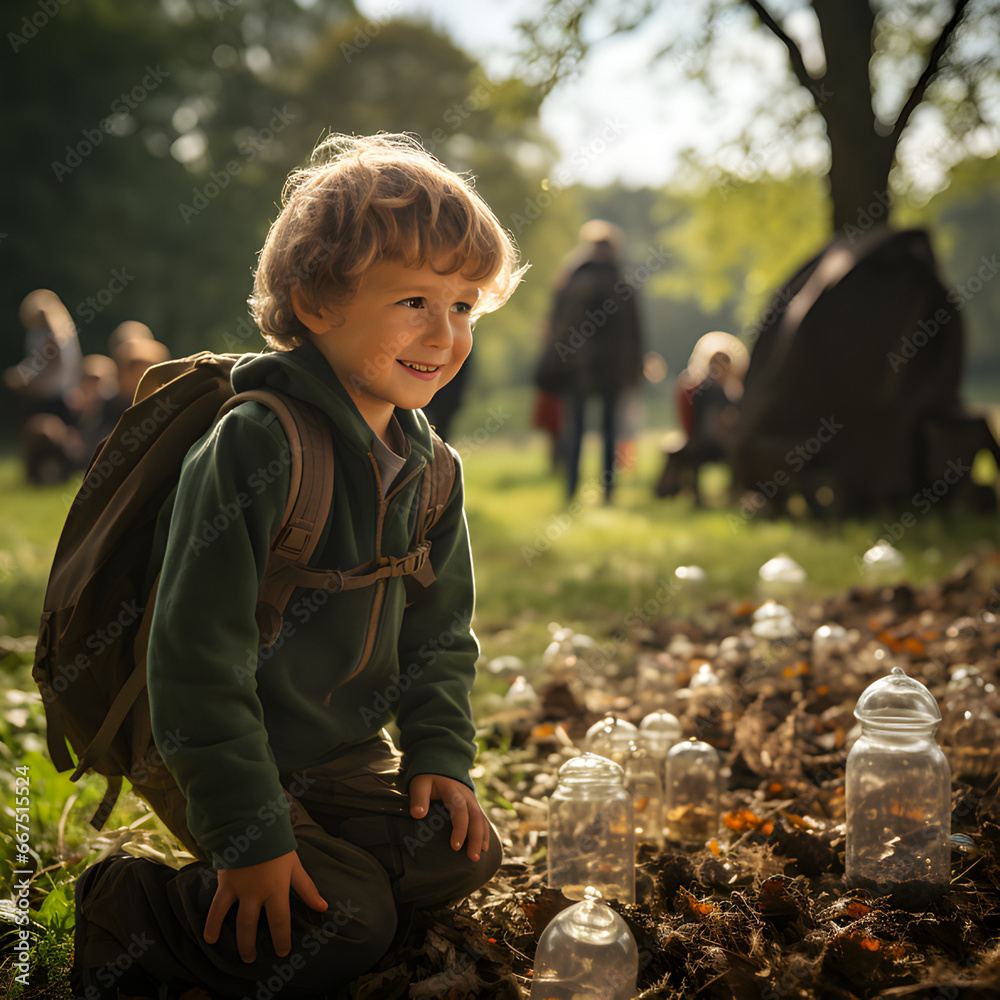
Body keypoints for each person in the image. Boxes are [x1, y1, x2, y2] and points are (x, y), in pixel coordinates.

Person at [72, 132, 524, 999]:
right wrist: (251, 835)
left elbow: (441, 635)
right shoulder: (255, 444)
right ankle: (131, 912)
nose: (446, 334)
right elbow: (193, 662)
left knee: (464, 854)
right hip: (223, 750)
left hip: (343, 756)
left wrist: (439, 755)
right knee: (350, 925)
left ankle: (328, 859)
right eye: (416, 302)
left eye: (466, 306)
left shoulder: (434, 470)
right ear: (317, 303)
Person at [533, 220, 644, 503]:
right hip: (612, 371)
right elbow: (634, 333)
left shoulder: (570, 280)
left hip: (575, 369)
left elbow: (555, 327)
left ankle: (571, 491)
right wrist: (635, 370)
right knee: (609, 431)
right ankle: (608, 493)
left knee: (575, 430)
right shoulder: (622, 283)